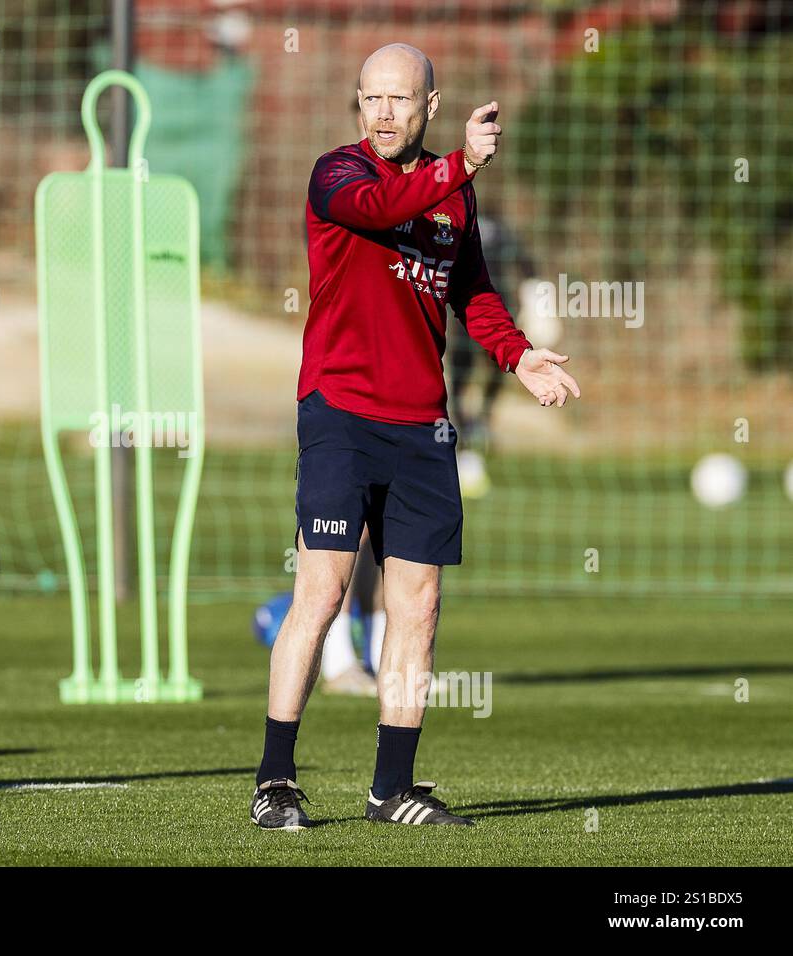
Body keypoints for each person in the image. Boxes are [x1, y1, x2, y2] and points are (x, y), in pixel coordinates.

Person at [249, 42, 581, 830]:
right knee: (324, 590)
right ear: (358, 104)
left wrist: (519, 353)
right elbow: (379, 210)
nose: (385, 113)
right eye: (372, 99)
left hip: (422, 427)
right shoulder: (339, 174)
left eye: (401, 100)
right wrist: (461, 162)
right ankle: (275, 781)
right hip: (339, 413)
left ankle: (390, 789)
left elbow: (474, 293)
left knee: (419, 605)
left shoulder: (453, 196)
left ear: (430, 104)